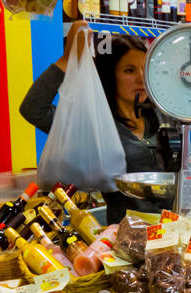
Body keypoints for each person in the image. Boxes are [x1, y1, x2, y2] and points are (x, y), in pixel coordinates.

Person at [20, 23, 171, 223]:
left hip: (175, 231)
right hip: (128, 239)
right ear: (110, 76)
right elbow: (33, 108)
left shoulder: (164, 116)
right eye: (129, 70)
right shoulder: (93, 126)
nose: (140, 78)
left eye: (144, 69)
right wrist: (67, 59)